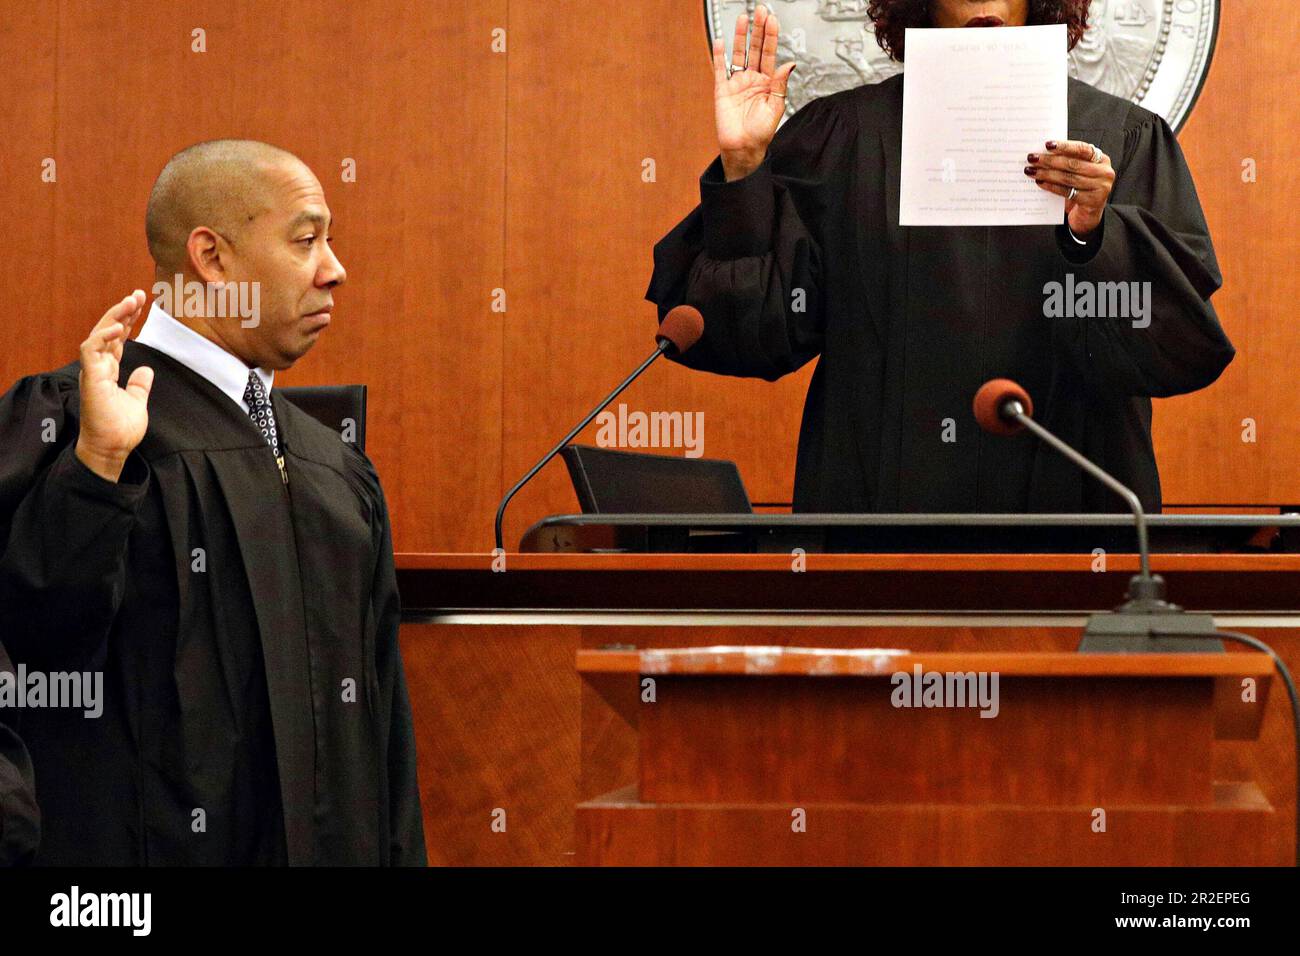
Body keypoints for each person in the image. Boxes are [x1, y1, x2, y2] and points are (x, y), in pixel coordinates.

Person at [0, 140, 426, 865]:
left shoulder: (333, 464)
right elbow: (39, 642)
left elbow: (383, 724)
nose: (335, 269)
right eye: (306, 240)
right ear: (213, 258)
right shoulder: (69, 423)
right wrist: (98, 468)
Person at [646, 1, 1234, 513]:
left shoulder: (1123, 138)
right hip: (883, 527)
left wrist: (1094, 236)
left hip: (1071, 526)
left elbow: (1178, 352)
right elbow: (753, 333)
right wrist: (744, 167)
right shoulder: (843, 136)